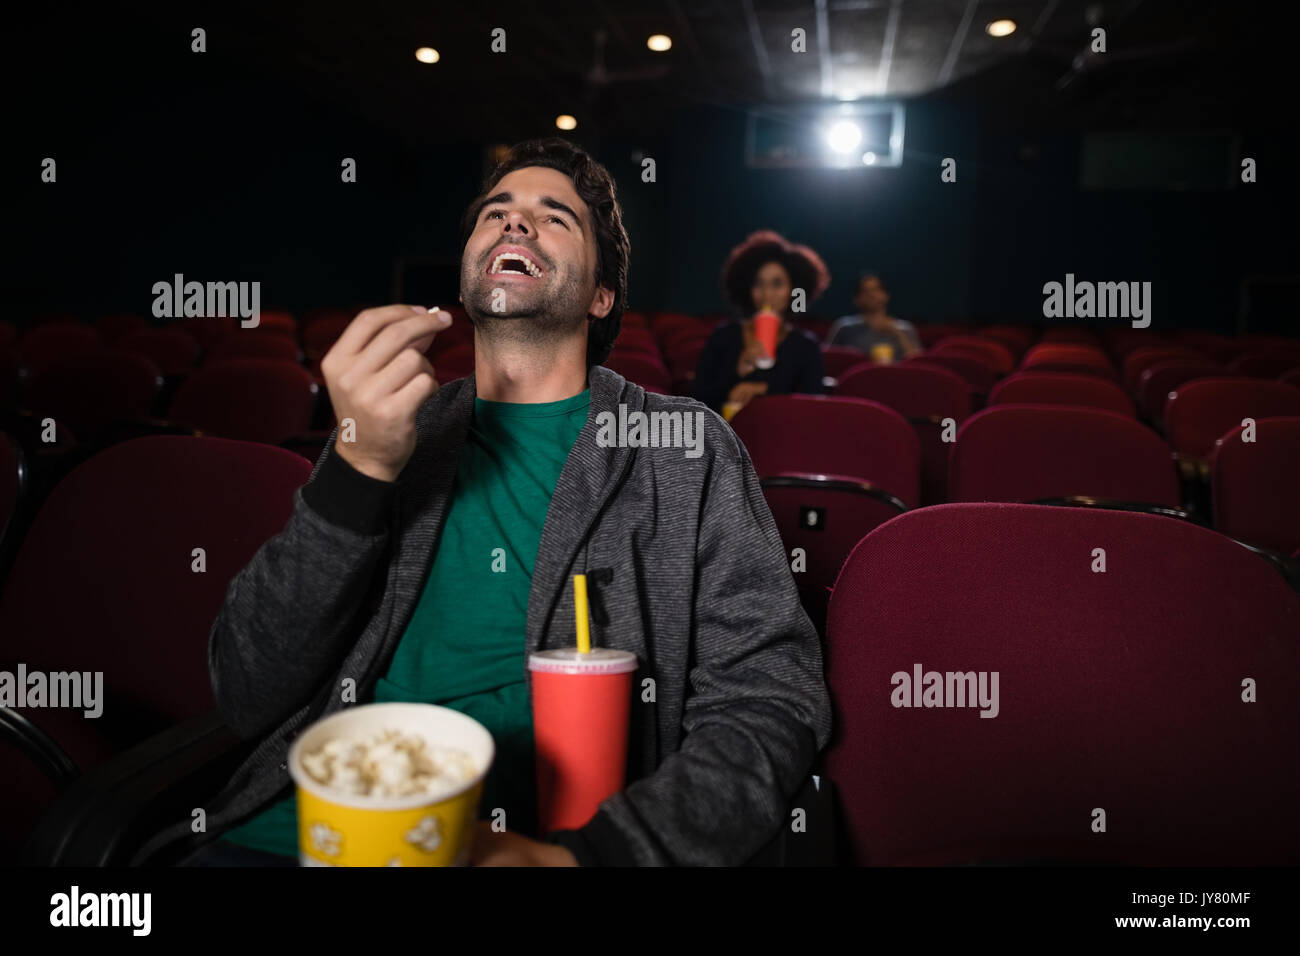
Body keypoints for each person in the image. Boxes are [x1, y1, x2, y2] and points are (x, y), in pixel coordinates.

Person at [143, 138, 830, 867]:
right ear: (468, 273)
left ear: (602, 295)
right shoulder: (386, 431)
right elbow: (247, 690)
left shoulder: (681, 447)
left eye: (554, 217)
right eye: (494, 213)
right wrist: (357, 469)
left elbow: (771, 699)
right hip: (294, 839)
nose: (515, 224)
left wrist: (594, 856)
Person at [692, 230, 829, 414]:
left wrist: (764, 389)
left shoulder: (806, 345)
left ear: (794, 290)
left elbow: (814, 406)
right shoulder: (723, 335)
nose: (767, 294)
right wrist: (737, 373)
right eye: (759, 283)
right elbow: (696, 400)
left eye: (777, 284)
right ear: (747, 289)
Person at [824, 273, 921, 361]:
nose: (871, 295)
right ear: (856, 299)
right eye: (865, 291)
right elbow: (829, 360)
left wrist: (897, 333)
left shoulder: (905, 328)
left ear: (886, 295)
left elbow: (917, 363)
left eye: (876, 289)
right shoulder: (844, 327)